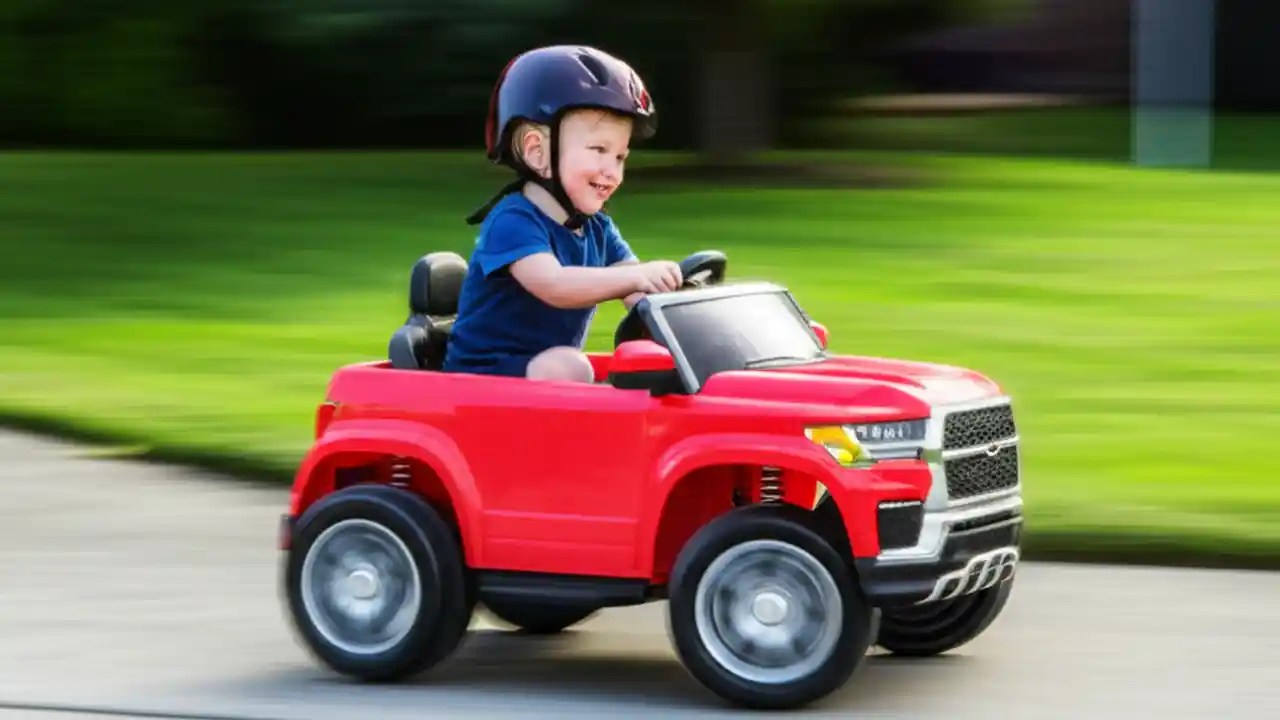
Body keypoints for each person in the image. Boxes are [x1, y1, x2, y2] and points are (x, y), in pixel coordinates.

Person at [442, 45, 684, 383]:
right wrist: (637, 277)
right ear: (536, 152)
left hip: (541, 377)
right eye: (599, 150)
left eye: (620, 157)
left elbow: (637, 291)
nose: (612, 171)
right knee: (569, 368)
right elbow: (554, 284)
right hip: (483, 379)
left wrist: (672, 298)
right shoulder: (513, 220)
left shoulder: (598, 228)